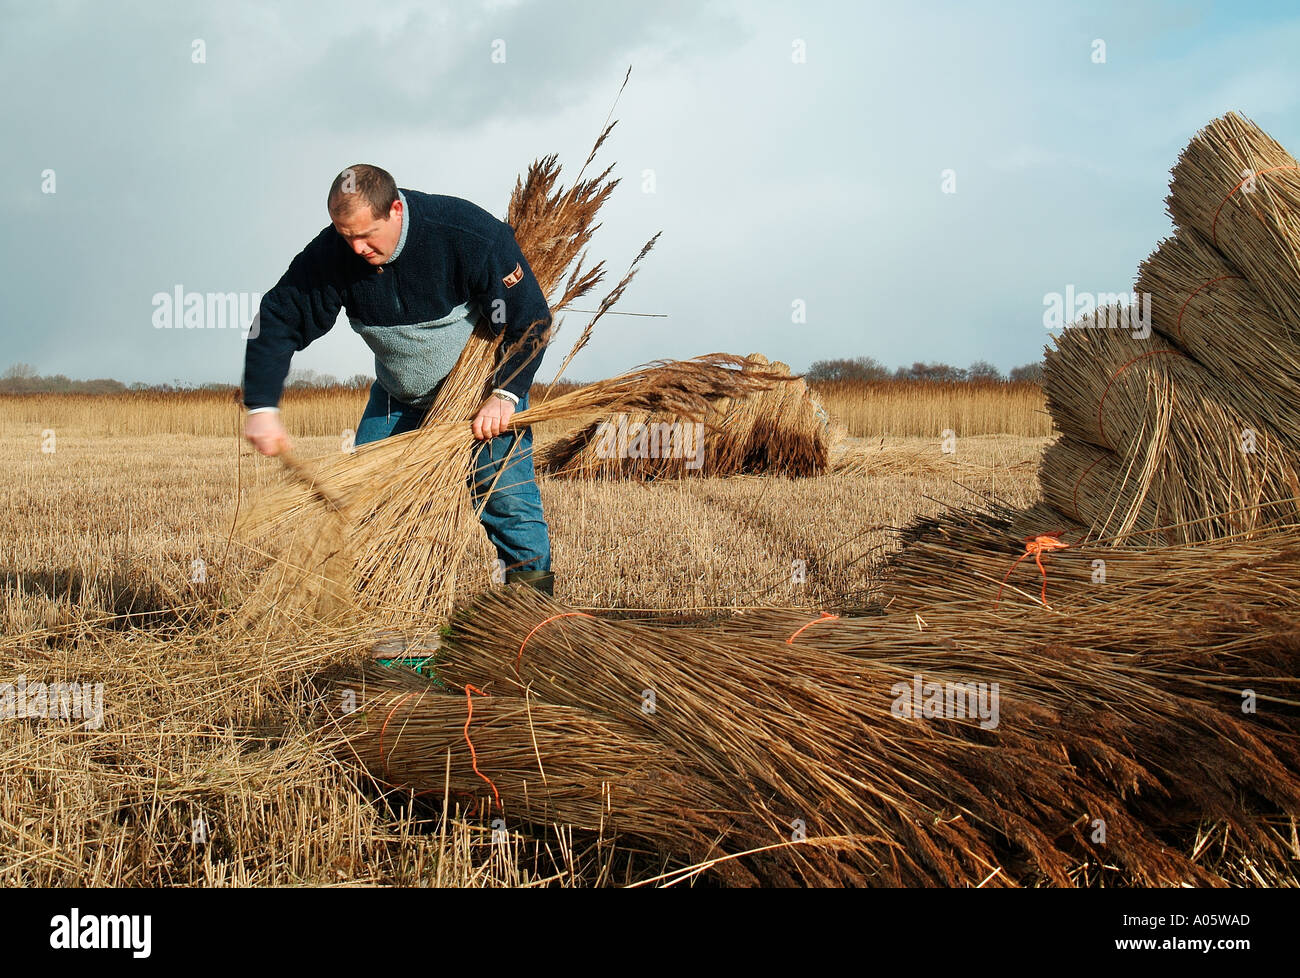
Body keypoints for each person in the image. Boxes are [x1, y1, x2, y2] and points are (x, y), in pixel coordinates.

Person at [241, 163, 554, 595]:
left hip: (482, 396)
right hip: (398, 397)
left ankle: (529, 617)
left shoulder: (466, 234)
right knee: (370, 502)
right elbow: (277, 319)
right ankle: (394, 624)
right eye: (345, 235)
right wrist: (261, 404)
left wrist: (505, 394)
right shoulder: (333, 254)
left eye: (366, 235)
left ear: (395, 209)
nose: (356, 248)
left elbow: (531, 320)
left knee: (507, 501)